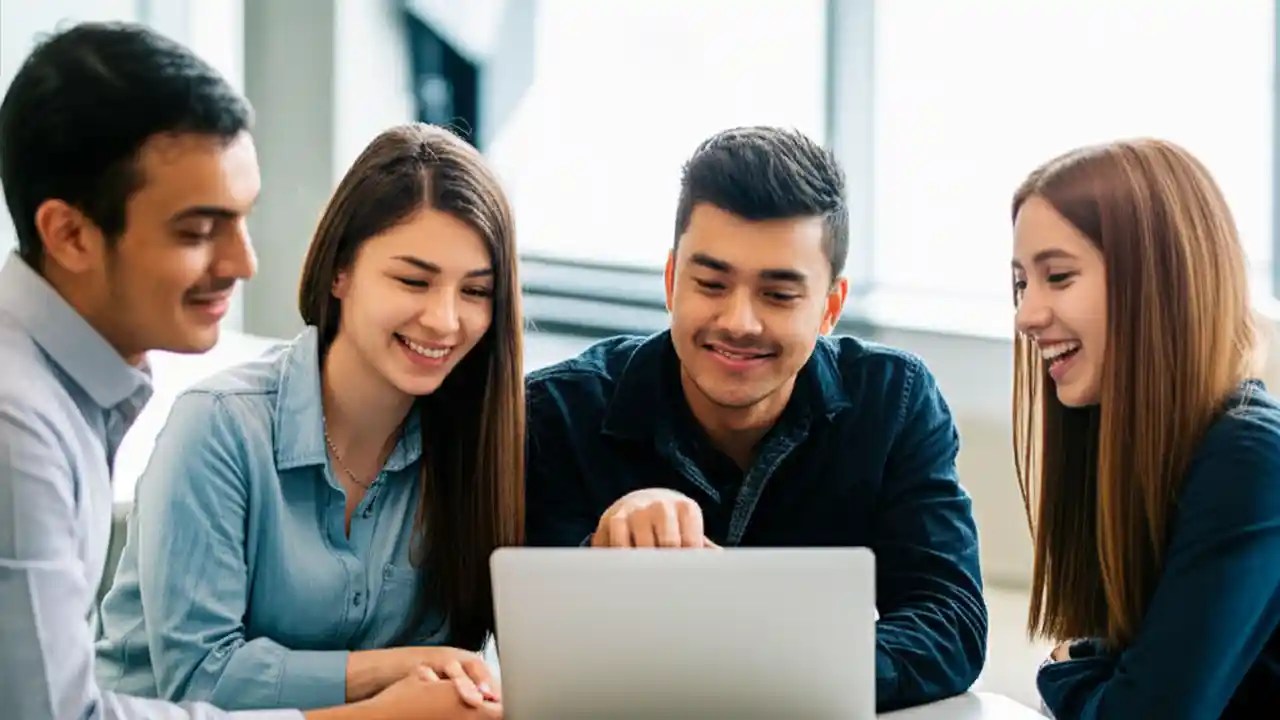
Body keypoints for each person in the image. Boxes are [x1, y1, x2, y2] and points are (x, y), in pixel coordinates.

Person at [0, 22, 491, 720]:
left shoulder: (74, 395)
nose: (244, 264)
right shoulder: (18, 428)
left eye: (242, 220)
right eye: (199, 231)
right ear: (71, 235)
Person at [524, 126, 987, 712]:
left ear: (830, 308)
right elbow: (522, 636)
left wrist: (772, 662)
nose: (739, 321)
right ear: (671, 282)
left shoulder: (894, 401)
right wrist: (598, 558)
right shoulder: (556, 412)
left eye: (778, 295)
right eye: (711, 284)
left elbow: (949, 622)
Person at [94, 123, 522, 717]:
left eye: (475, 292)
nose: (445, 320)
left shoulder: (471, 447)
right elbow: (198, 680)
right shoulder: (219, 426)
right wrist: (389, 673)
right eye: (413, 280)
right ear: (340, 270)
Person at [1010, 138, 1280, 719]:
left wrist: (1067, 672)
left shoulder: (1250, 458)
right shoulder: (1150, 450)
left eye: (1057, 276)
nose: (1026, 315)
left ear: (1159, 278)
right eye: (1020, 284)